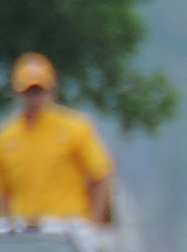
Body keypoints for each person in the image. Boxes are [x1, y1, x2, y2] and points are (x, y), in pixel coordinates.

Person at [0, 54, 114, 225]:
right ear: (17, 94)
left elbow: (101, 175)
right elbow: (3, 192)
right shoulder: (6, 138)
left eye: (39, 92)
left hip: (67, 227)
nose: (34, 99)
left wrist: (94, 225)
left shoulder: (75, 128)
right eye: (28, 92)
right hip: (25, 228)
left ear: (52, 92)